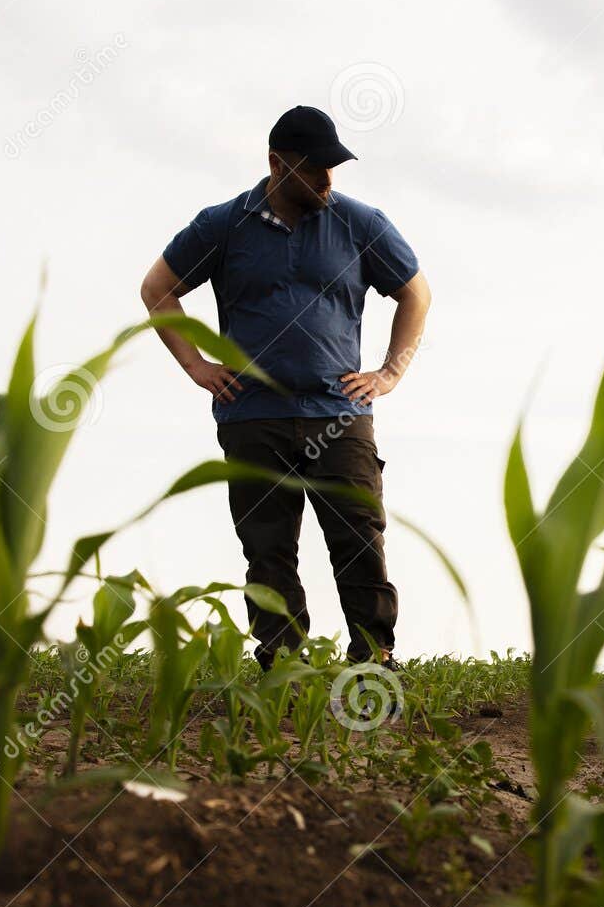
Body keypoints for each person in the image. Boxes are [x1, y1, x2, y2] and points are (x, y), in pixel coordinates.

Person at [139, 105, 430, 669]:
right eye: (315, 169)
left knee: (359, 538)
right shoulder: (222, 224)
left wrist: (391, 373)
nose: (328, 180)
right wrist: (196, 366)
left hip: (339, 414)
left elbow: (415, 293)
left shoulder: (359, 223)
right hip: (253, 416)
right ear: (278, 164)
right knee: (268, 550)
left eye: (333, 168)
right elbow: (157, 289)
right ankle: (281, 663)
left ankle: (374, 659)